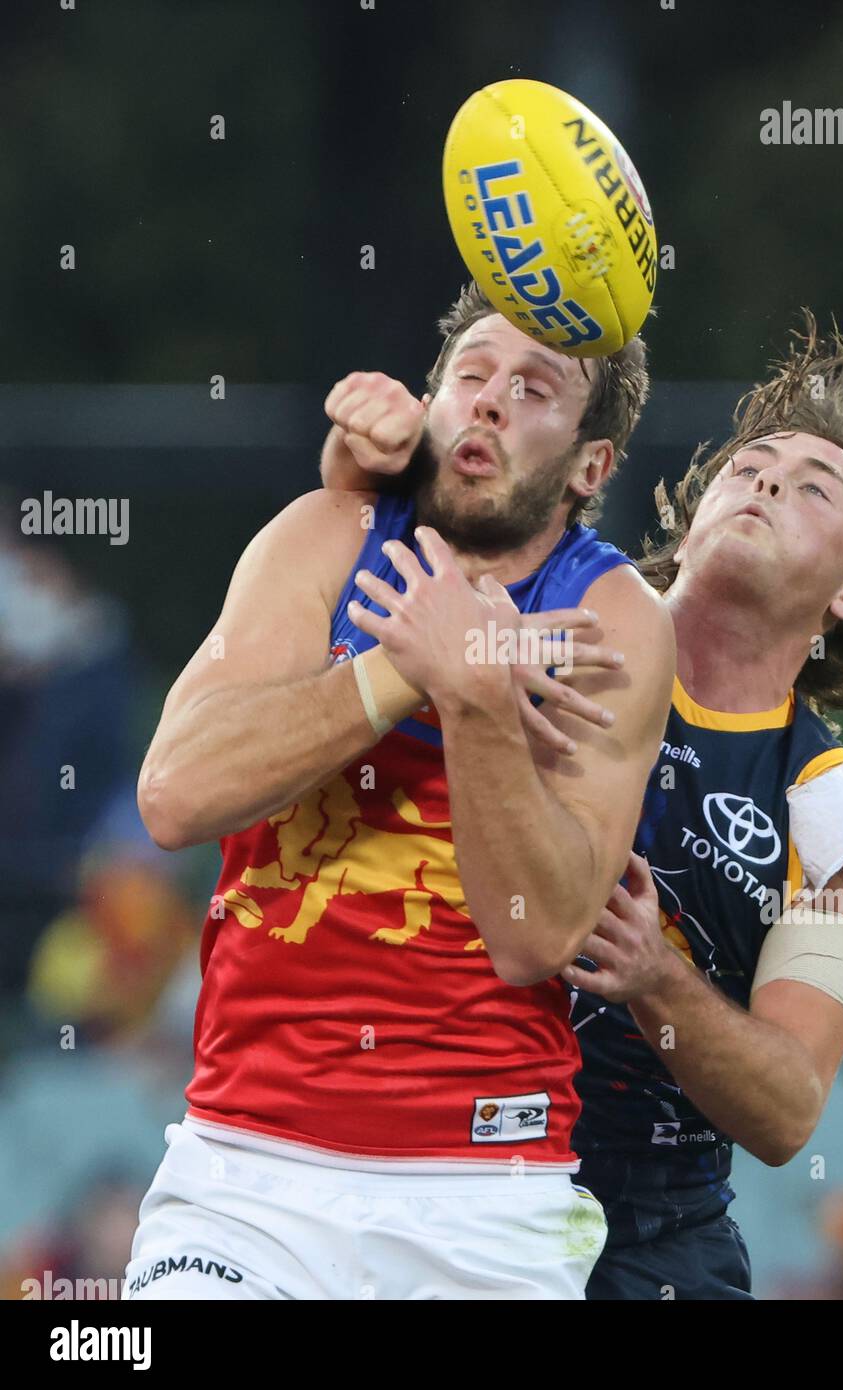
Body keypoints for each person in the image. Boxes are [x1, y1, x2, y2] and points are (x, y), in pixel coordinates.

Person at [125, 281, 673, 1300]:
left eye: (533, 388)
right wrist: (399, 669)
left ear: (590, 466)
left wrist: (474, 703)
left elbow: (536, 934)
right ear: (429, 403)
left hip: (485, 1197)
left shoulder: (613, 618)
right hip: (248, 1177)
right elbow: (173, 795)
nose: (490, 401)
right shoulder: (326, 532)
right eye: (469, 374)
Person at [561, 315, 843, 1298]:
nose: (769, 481)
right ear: (693, 515)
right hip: (451, 1169)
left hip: (653, 1232)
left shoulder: (840, 817)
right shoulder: (554, 627)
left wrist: (651, 974)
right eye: (749, 467)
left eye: (812, 487)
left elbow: (786, 1109)